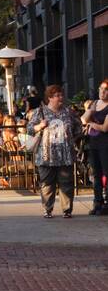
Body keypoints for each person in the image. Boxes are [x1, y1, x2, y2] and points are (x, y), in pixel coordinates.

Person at [28, 84, 82, 218]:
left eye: (61, 95)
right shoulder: (40, 112)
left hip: (65, 154)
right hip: (46, 155)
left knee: (67, 183)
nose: (60, 97)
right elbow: (29, 129)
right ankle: (47, 209)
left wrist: (70, 139)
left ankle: (67, 210)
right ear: (50, 98)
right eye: (57, 95)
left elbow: (78, 127)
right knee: (47, 184)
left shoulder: (69, 112)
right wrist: (40, 125)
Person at [81, 80, 108, 215]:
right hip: (94, 144)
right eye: (101, 89)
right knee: (96, 174)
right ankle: (97, 202)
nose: (102, 92)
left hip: (105, 144)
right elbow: (83, 119)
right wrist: (90, 111)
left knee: (106, 173)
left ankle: (106, 204)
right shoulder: (95, 103)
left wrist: (91, 123)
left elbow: (104, 128)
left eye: (106, 89)